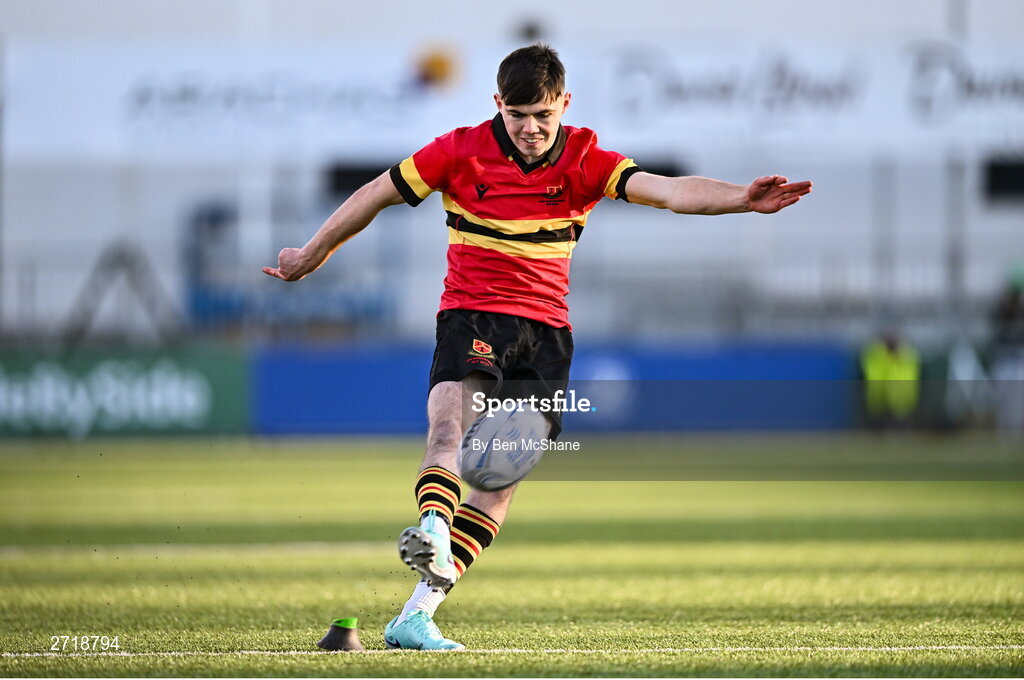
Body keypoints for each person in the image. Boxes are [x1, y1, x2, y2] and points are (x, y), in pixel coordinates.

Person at [263, 43, 812, 650]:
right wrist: (311, 255)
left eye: (542, 116)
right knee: (448, 429)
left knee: (498, 483)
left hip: (546, 338)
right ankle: (433, 527)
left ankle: (415, 616)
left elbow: (668, 190)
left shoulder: (584, 158)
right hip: (472, 314)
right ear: (497, 104)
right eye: (517, 114)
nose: (529, 128)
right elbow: (375, 194)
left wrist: (741, 197)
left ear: (564, 106)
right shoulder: (457, 150)